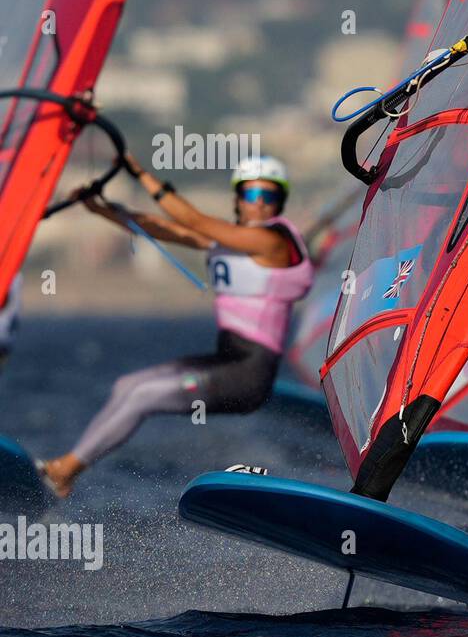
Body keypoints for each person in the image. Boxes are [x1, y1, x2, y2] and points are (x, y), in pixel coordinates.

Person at [39, 155, 314, 497]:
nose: (259, 205)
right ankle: (64, 473)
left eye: (268, 197)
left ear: (280, 202)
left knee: (142, 396)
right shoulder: (229, 240)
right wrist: (101, 209)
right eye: (251, 195)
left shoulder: (274, 242)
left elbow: (192, 218)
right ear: (238, 199)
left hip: (248, 374)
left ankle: (64, 471)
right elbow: (161, 226)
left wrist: (139, 172)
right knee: (128, 384)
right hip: (225, 359)